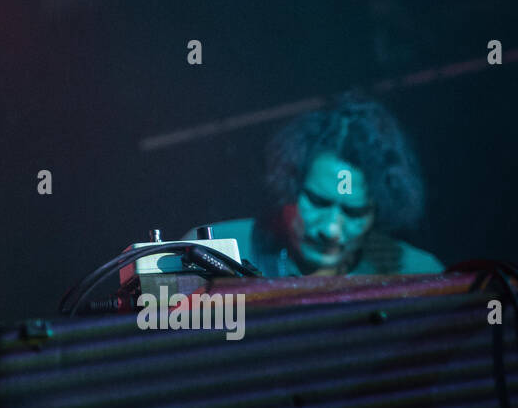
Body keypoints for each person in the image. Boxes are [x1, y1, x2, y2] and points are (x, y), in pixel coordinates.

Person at [182, 93, 442, 276]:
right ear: (289, 184)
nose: (330, 229)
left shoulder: (418, 272)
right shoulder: (205, 252)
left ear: (377, 212)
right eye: (318, 202)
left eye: (353, 213)